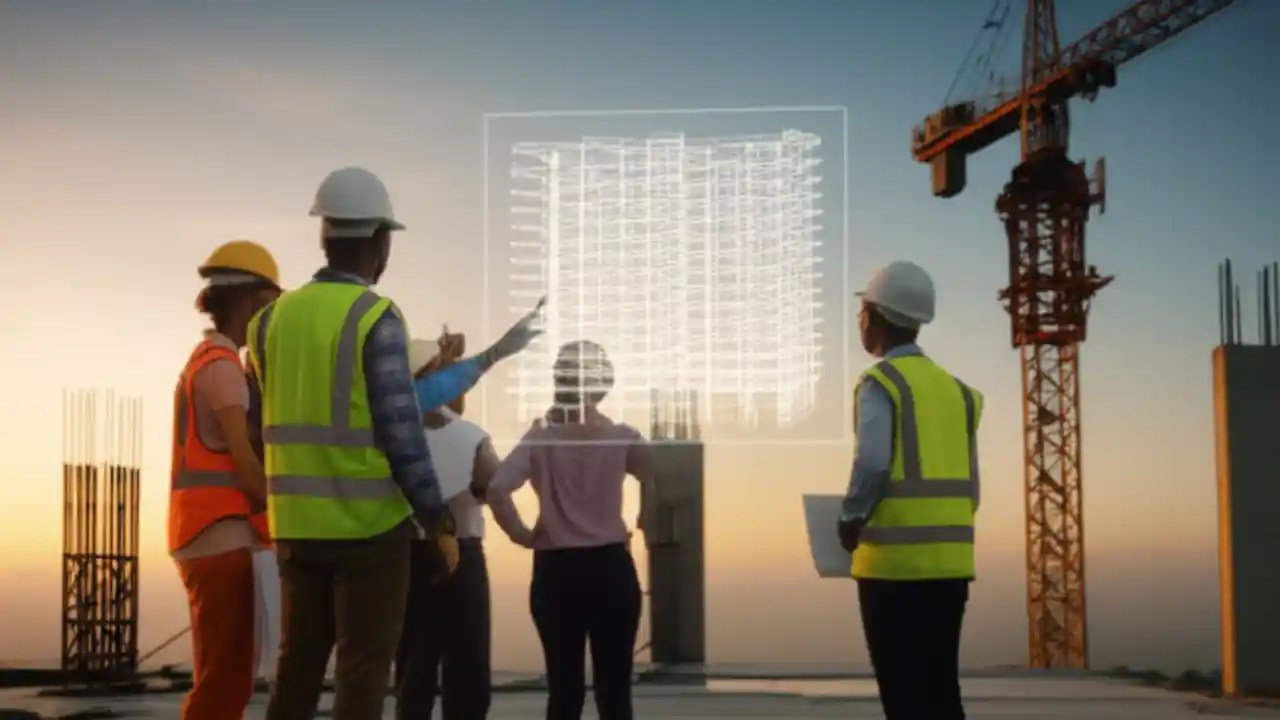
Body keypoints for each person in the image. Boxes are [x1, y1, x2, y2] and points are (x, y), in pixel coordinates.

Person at [247, 166, 541, 720]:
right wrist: (437, 520)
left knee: (297, 670)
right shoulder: (375, 317)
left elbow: (257, 426)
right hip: (367, 533)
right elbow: (401, 432)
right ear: (382, 243)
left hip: (293, 528)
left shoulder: (268, 322)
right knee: (363, 677)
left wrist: (495, 352)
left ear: (323, 235)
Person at [836, 261, 983, 720]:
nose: (859, 321)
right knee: (941, 694)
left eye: (861, 311)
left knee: (903, 701)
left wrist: (849, 518)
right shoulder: (958, 392)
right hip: (951, 568)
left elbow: (874, 464)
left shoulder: (880, 383)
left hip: (893, 573)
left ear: (876, 316)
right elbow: (972, 489)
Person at [487, 340, 655, 720]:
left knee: (564, 692)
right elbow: (654, 472)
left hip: (556, 570)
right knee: (615, 693)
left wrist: (523, 535)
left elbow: (497, 488)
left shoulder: (539, 437)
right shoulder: (622, 436)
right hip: (611, 568)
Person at [169, 240, 282, 720]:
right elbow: (248, 469)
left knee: (221, 677)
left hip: (203, 535)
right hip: (221, 540)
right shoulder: (222, 371)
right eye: (273, 303)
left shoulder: (205, 362)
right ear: (253, 299)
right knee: (224, 682)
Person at [395, 335, 502, 720]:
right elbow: (492, 485)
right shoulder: (468, 436)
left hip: (407, 555)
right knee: (468, 669)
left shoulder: (386, 435)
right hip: (462, 555)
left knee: (413, 667)